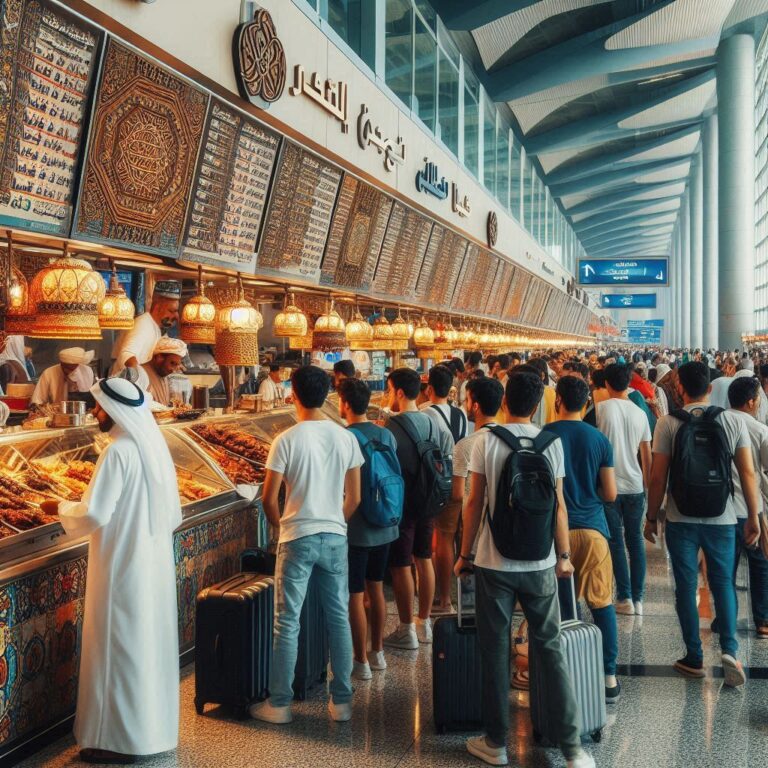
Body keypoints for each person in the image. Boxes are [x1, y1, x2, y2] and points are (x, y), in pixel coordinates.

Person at [456, 372, 595, 768]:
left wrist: (465, 555)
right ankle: (572, 750)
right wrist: (564, 556)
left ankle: (496, 743)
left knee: (495, 650)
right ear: (537, 406)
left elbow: (474, 503)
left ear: (504, 403)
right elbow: (560, 506)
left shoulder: (486, 441)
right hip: (541, 563)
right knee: (551, 651)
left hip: (493, 561)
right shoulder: (553, 444)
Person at [52, 378, 181, 763]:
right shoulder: (150, 447)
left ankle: (116, 740)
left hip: (121, 562)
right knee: (144, 648)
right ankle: (147, 734)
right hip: (151, 561)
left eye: (98, 407)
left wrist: (58, 508)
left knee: (118, 647)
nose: (95, 413)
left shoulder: (118, 452)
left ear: (115, 410)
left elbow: (93, 511)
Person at [252, 365, 363, 724]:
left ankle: (281, 704)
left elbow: (269, 498)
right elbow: (355, 497)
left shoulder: (285, 440)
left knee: (287, 622)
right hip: (334, 536)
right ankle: (341, 703)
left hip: (296, 536)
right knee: (338, 619)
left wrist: (279, 524)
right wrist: (334, 521)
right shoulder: (345, 436)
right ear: (329, 394)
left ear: (293, 394)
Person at [644, 362, 760, 686]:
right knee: (722, 582)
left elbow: (657, 477)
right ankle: (730, 651)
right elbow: (747, 473)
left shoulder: (668, 423)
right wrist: (754, 515)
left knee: (685, 586)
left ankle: (693, 656)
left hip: (681, 518)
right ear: (710, 388)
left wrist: (651, 517)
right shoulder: (732, 420)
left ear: (679, 389)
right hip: (722, 517)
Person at [544, 376, 620, 703]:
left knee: (565, 607)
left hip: (554, 536)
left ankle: (568, 675)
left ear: (558, 400)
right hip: (593, 531)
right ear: (587, 402)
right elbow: (611, 493)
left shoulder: (544, 436)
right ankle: (609, 677)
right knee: (602, 604)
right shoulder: (599, 439)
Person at [383, 368, 453, 649]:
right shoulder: (432, 421)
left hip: (402, 504)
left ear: (399, 392)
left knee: (401, 565)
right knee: (424, 557)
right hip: (428, 499)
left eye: (390, 389)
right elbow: (446, 452)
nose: (389, 395)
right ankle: (424, 623)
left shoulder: (389, 427)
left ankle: (405, 629)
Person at [337, 378, 401, 678]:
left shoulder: (344, 438)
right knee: (376, 588)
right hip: (386, 524)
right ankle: (378, 653)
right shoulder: (386, 435)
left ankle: (359, 661)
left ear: (346, 404)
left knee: (354, 591)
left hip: (357, 527)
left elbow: (348, 491)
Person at [596, 363, 652, 616]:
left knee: (616, 541)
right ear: (628, 382)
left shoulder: (600, 410)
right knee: (635, 541)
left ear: (606, 384)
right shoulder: (639, 412)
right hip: (634, 485)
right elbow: (647, 455)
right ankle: (638, 600)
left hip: (608, 486)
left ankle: (625, 597)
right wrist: (648, 488)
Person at [422, 365, 467, 614]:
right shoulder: (460, 413)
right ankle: (450, 598)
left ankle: (439, 600)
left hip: (434, 483)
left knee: (434, 539)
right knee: (448, 539)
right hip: (458, 479)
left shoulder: (424, 413)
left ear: (429, 388)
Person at [726, 376, 768, 638]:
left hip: (723, 510)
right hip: (754, 508)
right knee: (761, 565)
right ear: (751, 401)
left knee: (725, 568)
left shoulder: (720, 423)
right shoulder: (761, 430)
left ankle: (725, 619)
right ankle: (763, 620)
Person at [110, 281, 180, 378]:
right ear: (158, 307)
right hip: (126, 389)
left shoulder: (157, 328)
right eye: (172, 311)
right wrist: (140, 380)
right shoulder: (142, 324)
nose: (176, 316)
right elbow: (127, 355)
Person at [31, 347, 96, 406]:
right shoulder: (48, 373)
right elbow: (37, 400)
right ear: (61, 363)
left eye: (71, 369)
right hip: (56, 413)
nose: (67, 371)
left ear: (78, 364)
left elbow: (90, 399)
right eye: (64, 367)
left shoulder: (87, 371)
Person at [141, 337, 187, 407]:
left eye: (177, 365)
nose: (173, 370)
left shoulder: (165, 374)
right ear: (159, 357)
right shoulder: (139, 374)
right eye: (172, 363)